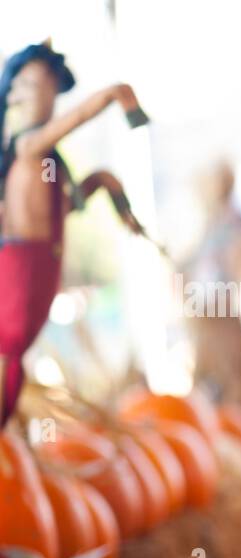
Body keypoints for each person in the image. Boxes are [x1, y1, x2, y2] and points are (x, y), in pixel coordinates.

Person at [0, 42, 146, 425]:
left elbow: (64, 207)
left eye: (50, 89)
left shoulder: (48, 164)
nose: (44, 98)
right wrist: (114, 96)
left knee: (14, 364)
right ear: (13, 96)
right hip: (22, 277)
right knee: (8, 358)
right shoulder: (30, 147)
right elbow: (78, 116)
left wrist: (110, 188)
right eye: (33, 86)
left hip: (40, 275)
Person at [183, 159, 241, 410]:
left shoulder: (235, 222)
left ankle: (233, 432)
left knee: (233, 387)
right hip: (206, 314)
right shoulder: (210, 223)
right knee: (207, 385)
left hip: (223, 312)